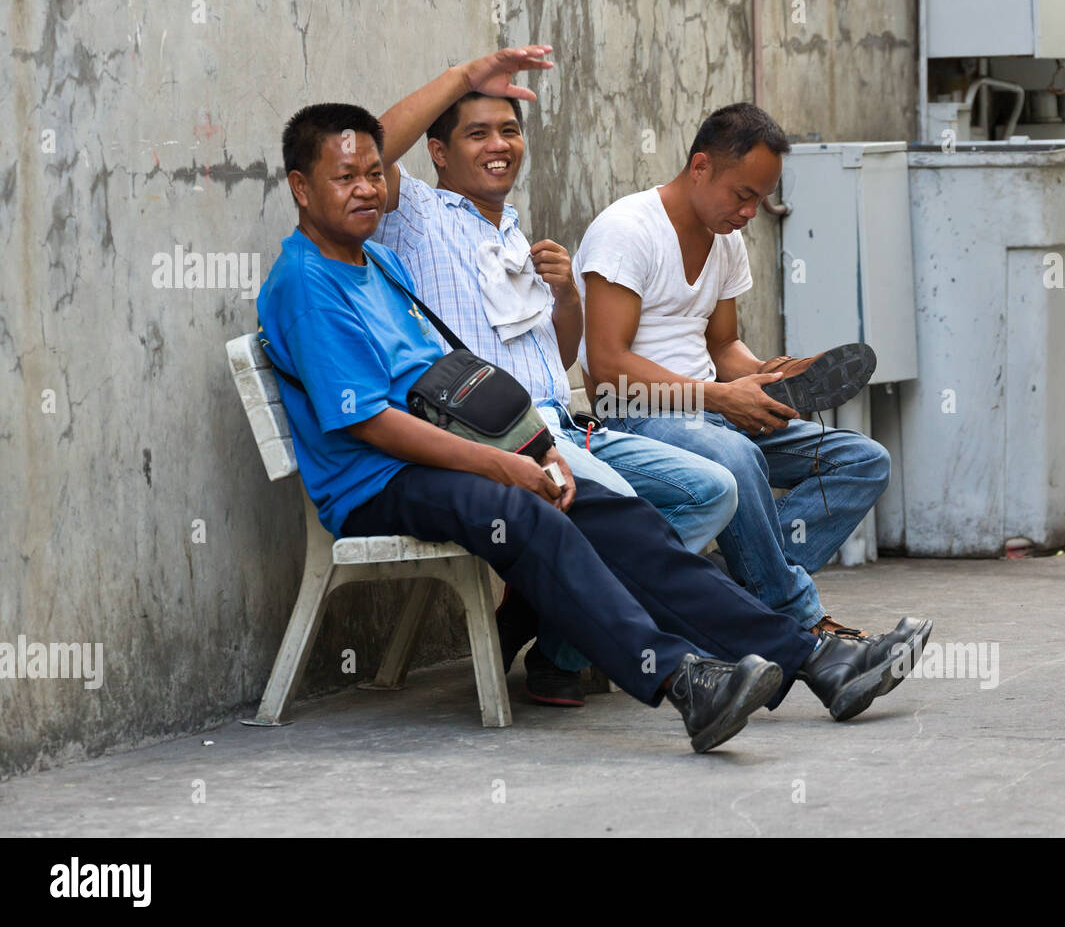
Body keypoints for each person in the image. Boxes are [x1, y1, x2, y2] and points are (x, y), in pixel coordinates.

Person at [254, 101, 931, 753]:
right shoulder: (307, 283)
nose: (368, 189)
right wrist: (504, 466)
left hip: (455, 450)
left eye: (374, 174)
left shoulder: (377, 263)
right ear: (301, 189)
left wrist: (542, 446)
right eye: (346, 177)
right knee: (530, 514)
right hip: (381, 479)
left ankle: (814, 659)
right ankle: (683, 680)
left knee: (622, 516)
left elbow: (457, 382)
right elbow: (372, 425)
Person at [372, 46, 739, 706]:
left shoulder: (513, 230)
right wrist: (463, 75)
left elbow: (556, 358)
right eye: (477, 133)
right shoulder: (417, 218)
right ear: (438, 150)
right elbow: (371, 152)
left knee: (712, 489)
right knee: (630, 518)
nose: (499, 145)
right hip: (503, 437)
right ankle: (582, 636)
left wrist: (565, 297)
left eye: (509, 131)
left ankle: (554, 637)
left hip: (567, 424)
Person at [575, 102, 915, 647]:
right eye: (743, 195)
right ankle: (796, 618)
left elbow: (722, 344)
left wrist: (762, 376)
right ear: (701, 167)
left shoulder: (726, 241)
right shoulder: (626, 230)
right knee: (736, 457)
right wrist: (719, 397)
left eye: (761, 198)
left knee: (861, 461)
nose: (751, 212)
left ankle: (736, 597)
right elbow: (609, 368)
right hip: (635, 420)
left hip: (713, 409)